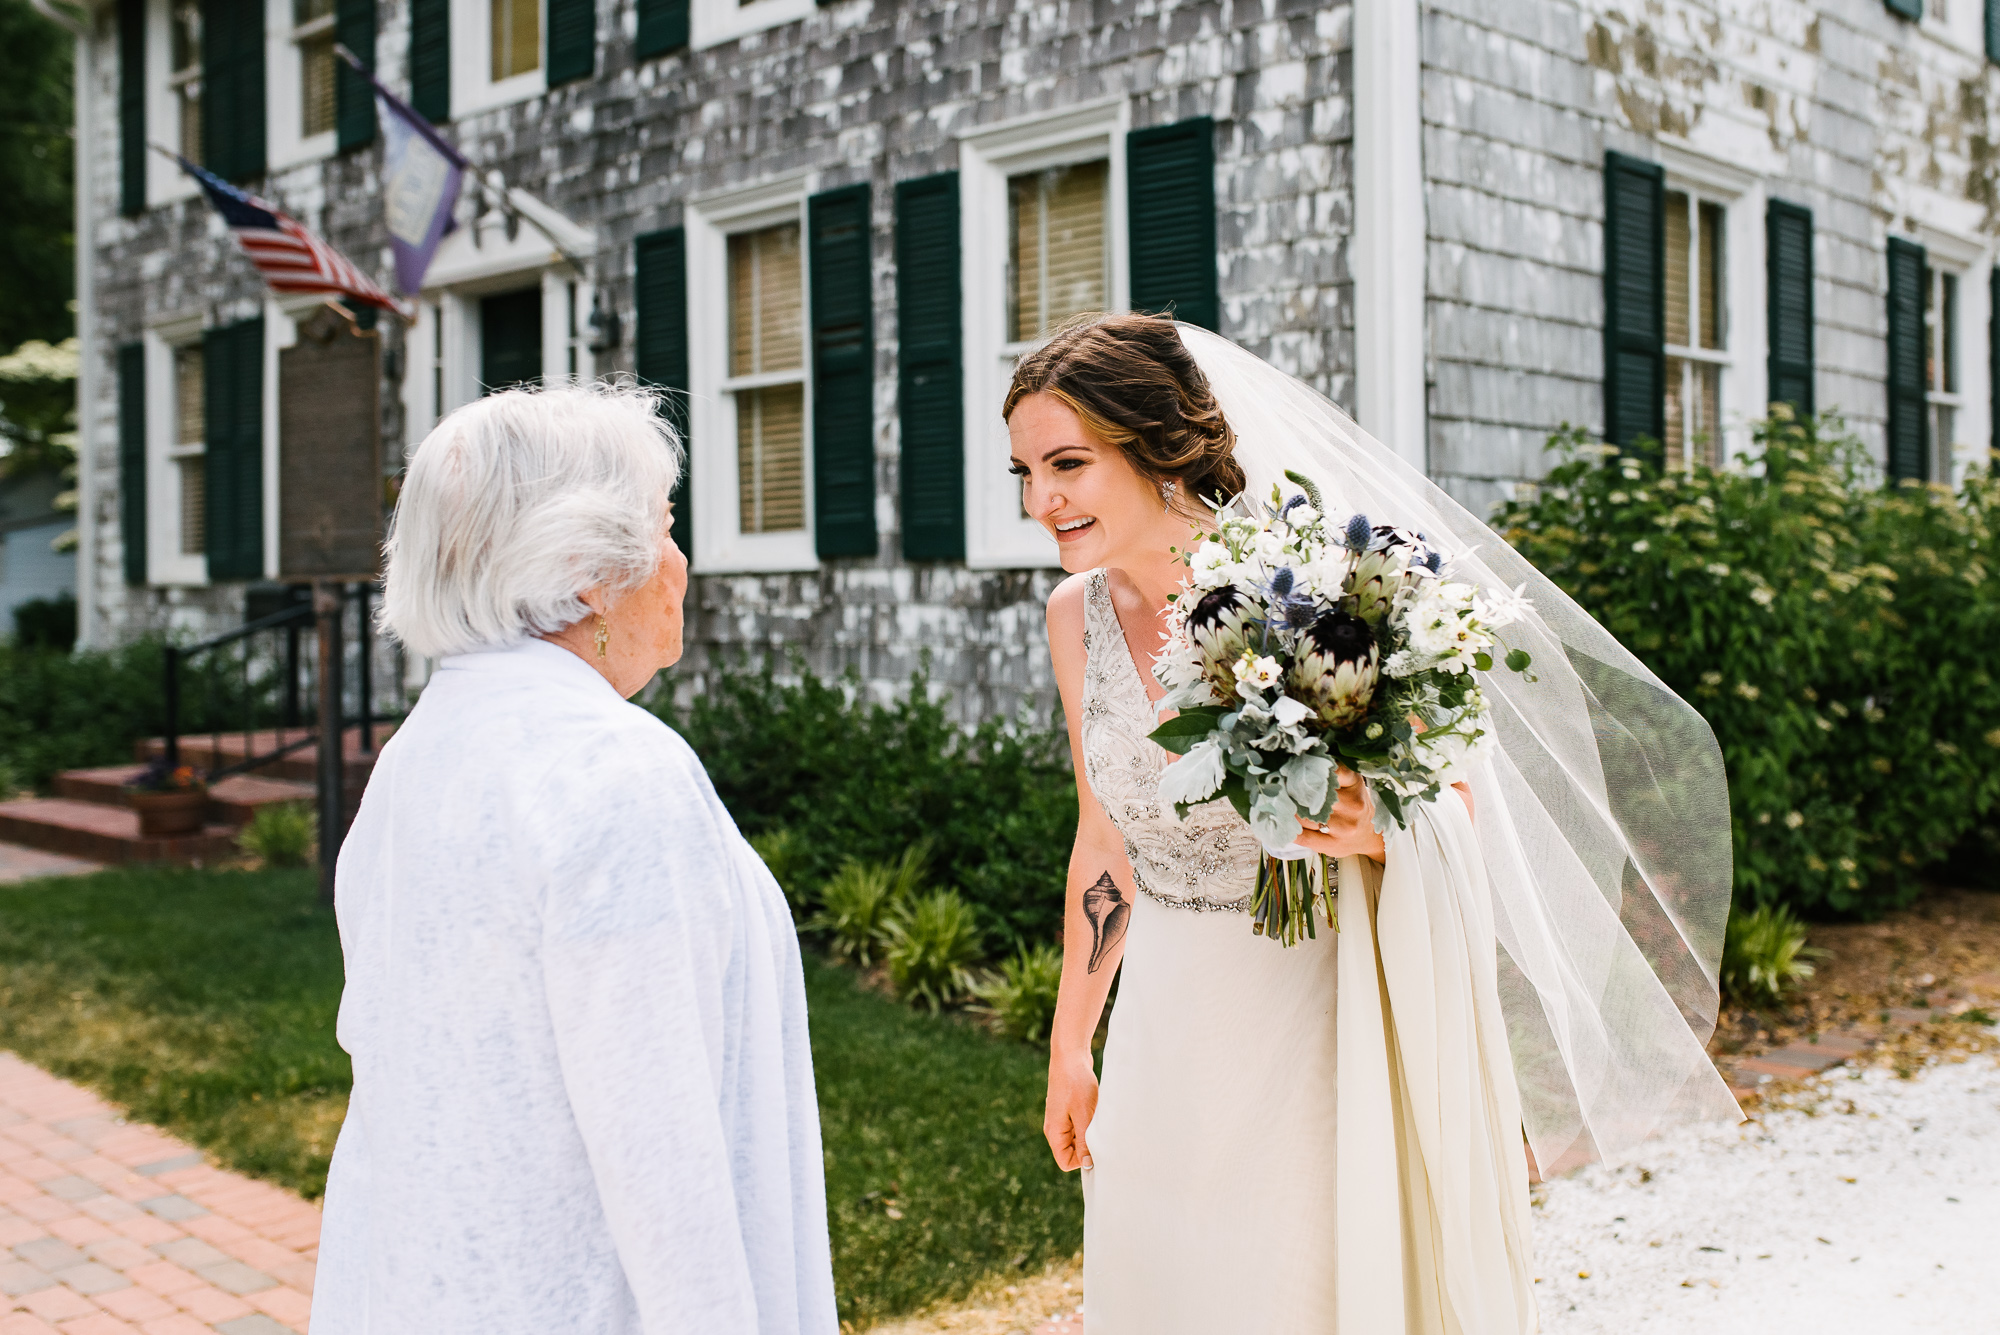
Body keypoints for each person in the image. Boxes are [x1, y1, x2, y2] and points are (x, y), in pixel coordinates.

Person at [1007, 314, 1741, 1334]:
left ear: (1157, 446)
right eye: (1024, 472)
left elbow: (1454, 796)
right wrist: (1071, 1047)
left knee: (1292, 1289)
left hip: (1307, 1010)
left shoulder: (1313, 594)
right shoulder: (1071, 617)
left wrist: (1381, 829)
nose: (1039, 500)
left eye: (1066, 464)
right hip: (1163, 1028)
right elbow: (1103, 838)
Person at [310, 383, 838, 1335]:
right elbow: (660, 1144)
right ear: (592, 571)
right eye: (666, 526)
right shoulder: (611, 768)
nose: (680, 562)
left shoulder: (423, 749)